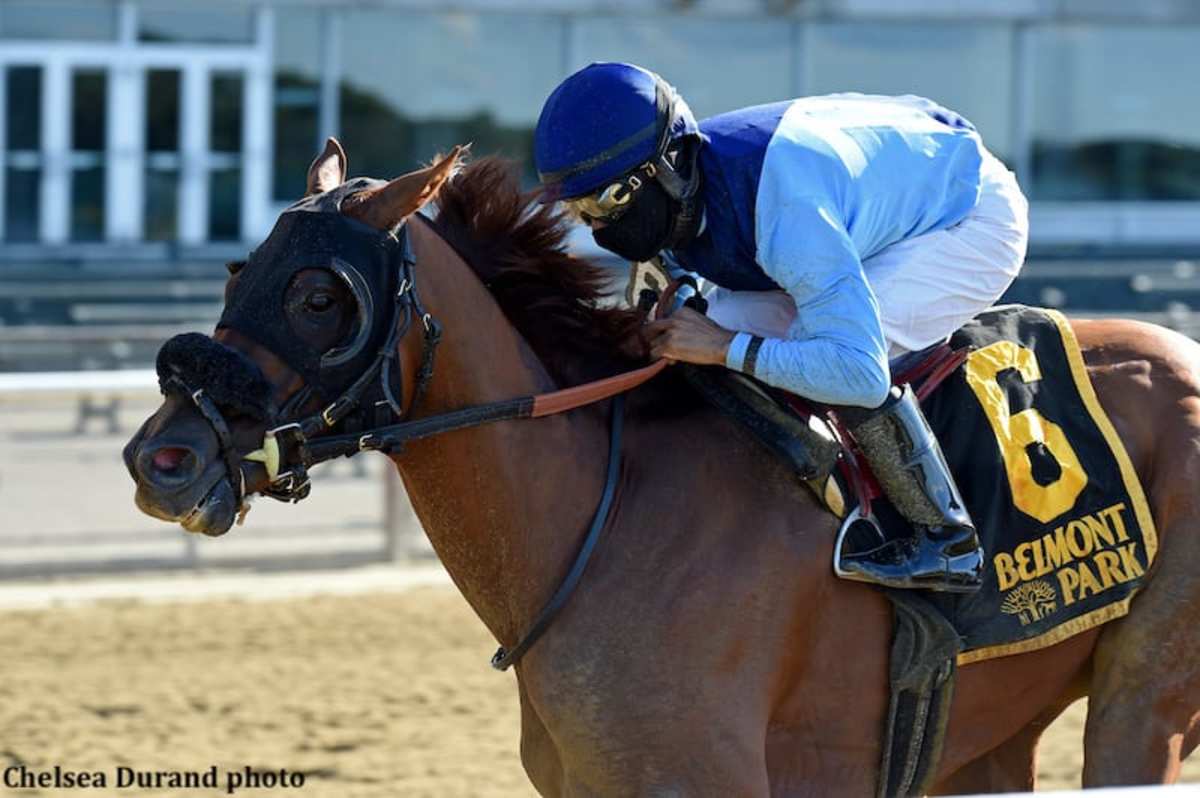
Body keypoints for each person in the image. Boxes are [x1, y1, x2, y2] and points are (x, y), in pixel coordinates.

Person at [533, 62, 1030, 593]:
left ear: (663, 170)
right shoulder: (687, 179)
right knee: (700, 335)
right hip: (870, 182)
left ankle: (947, 540)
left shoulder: (784, 211)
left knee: (818, 353)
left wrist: (725, 348)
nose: (595, 227)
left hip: (969, 217)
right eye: (578, 211)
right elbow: (678, 271)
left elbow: (857, 374)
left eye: (603, 203)